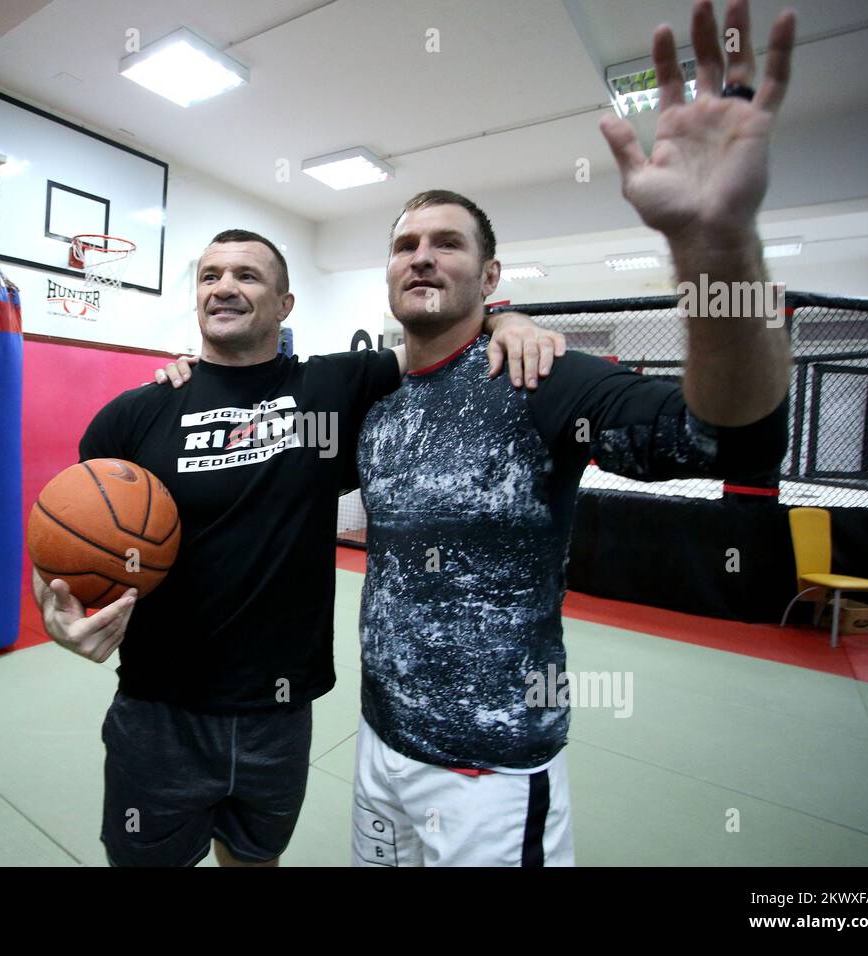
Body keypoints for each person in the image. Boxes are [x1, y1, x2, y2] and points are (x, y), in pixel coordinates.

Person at [352, 0, 796, 866]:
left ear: (491, 275)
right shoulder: (371, 392)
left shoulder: (540, 375)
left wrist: (718, 248)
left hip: (493, 773)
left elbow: (722, 440)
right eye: (405, 242)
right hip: (378, 746)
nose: (421, 255)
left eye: (447, 242)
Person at [34, 228, 564, 867]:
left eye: (247, 276)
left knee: (255, 860)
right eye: (210, 276)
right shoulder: (135, 414)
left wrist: (508, 322)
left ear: (285, 305)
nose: (225, 287)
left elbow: (438, 342)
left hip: (279, 711)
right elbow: (63, 539)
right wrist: (56, 610)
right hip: (158, 713)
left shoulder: (331, 387)